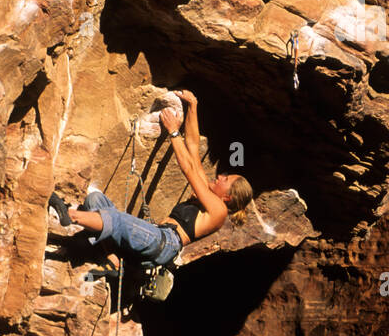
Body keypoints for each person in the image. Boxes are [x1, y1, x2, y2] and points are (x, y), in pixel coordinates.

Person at [48, 90, 253, 278]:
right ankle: (113, 262)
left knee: (115, 220)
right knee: (95, 199)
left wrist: (174, 132)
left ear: (228, 197)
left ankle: (70, 214)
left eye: (226, 180)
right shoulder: (210, 199)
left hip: (162, 242)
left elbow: (189, 169)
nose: (220, 176)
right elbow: (192, 146)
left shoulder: (218, 211)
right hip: (154, 236)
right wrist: (193, 106)